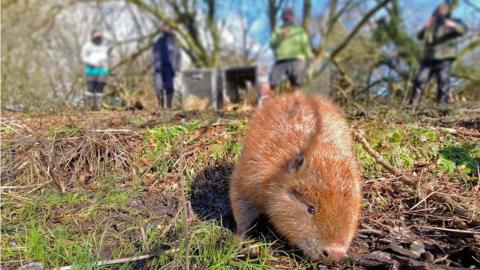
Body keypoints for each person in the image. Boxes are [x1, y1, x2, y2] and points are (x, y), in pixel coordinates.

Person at [409, 3, 467, 106]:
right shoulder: (432, 24)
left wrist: (452, 25)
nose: (441, 12)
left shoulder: (454, 22)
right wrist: (426, 26)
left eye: (444, 10)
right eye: (439, 10)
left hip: (445, 57)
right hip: (429, 58)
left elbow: (463, 30)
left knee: (443, 81)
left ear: (448, 12)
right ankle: (412, 105)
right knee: (419, 79)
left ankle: (442, 107)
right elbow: (419, 36)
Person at [270, 8, 314, 92]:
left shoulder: (299, 30)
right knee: (273, 80)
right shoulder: (278, 30)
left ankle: (297, 100)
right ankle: (274, 100)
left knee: (297, 82)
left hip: (296, 59)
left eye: (289, 15)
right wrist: (281, 36)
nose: (287, 17)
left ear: (292, 17)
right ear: (282, 17)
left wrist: (310, 56)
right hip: (281, 60)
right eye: (285, 15)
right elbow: (272, 44)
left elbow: (305, 45)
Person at [152, 25, 181, 110]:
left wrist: (177, 67)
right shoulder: (158, 42)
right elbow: (153, 55)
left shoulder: (173, 42)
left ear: (170, 29)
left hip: (169, 69)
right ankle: (161, 106)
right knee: (158, 87)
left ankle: (169, 107)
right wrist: (153, 67)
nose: (165, 29)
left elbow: (178, 55)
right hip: (158, 69)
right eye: (163, 28)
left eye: (167, 28)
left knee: (169, 87)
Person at [81, 29, 109, 111]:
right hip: (91, 69)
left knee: (100, 89)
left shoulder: (104, 46)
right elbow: (84, 57)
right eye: (96, 36)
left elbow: (105, 56)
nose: (98, 38)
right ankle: (87, 108)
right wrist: (91, 62)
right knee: (90, 88)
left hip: (102, 70)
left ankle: (97, 108)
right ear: (92, 36)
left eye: (99, 36)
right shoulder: (87, 46)